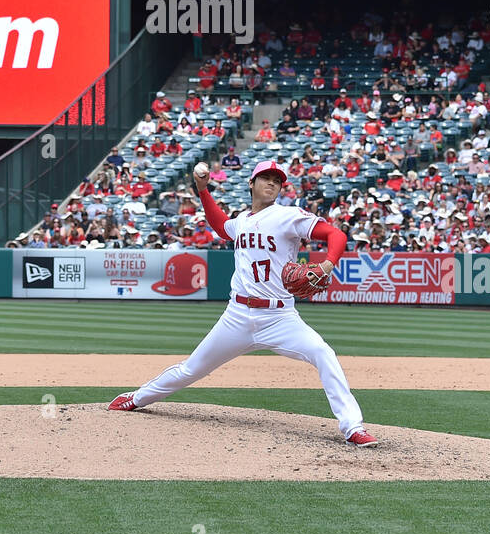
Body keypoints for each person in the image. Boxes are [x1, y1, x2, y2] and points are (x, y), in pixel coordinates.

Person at [107, 160, 380, 447]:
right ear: (251, 183)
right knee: (192, 368)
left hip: (280, 317)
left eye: (277, 179)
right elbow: (222, 226)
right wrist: (203, 191)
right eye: (265, 177)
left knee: (323, 353)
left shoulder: (288, 216)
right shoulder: (242, 220)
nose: (272, 183)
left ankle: (353, 427)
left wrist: (327, 264)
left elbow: (336, 234)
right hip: (237, 315)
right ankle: (137, 398)